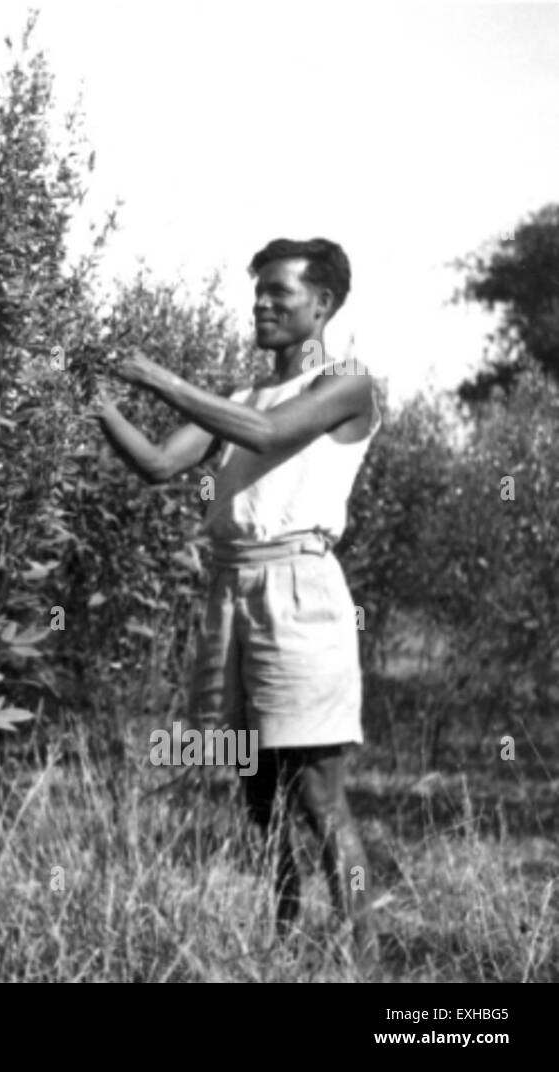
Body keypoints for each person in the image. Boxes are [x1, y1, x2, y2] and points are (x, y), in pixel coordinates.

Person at [94, 237, 380, 962]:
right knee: (255, 790)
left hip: (299, 592)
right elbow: (160, 464)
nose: (262, 304)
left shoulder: (348, 385)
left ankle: (364, 961)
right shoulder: (241, 395)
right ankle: (280, 946)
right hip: (230, 591)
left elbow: (266, 432)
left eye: (279, 293)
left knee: (318, 796)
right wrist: (96, 403)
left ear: (323, 305)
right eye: (257, 292)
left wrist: (154, 375)